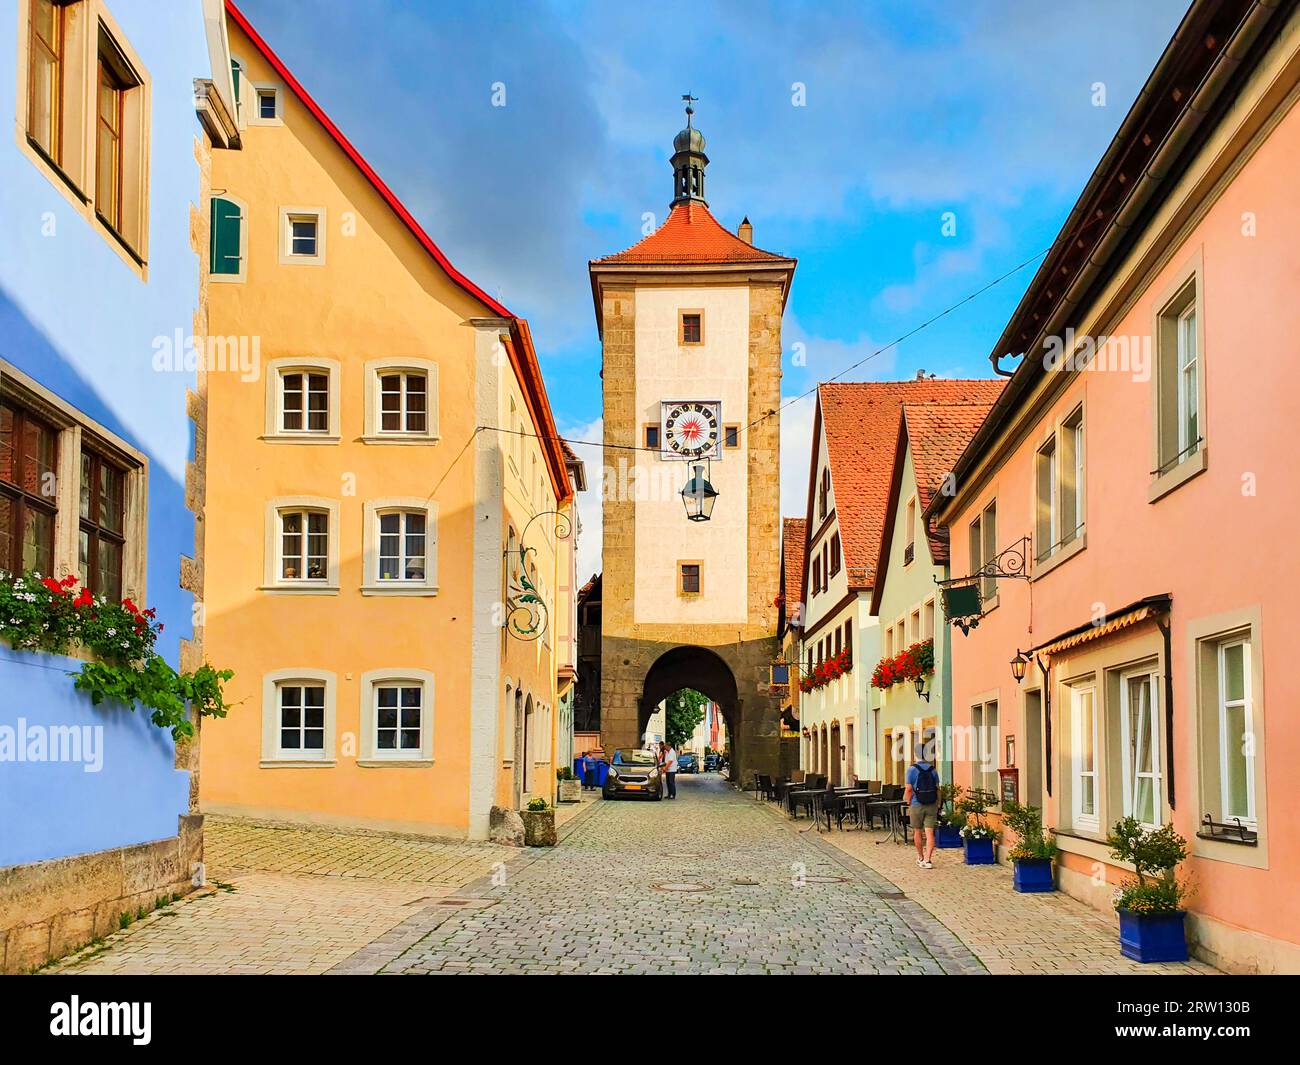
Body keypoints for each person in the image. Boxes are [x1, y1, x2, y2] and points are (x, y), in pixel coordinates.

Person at [904, 745, 941, 868]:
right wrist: (938, 804)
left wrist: (908, 802)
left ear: (915, 754)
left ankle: (920, 857)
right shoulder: (933, 770)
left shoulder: (911, 770)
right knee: (930, 833)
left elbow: (909, 789)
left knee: (917, 832)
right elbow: (937, 789)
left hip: (916, 804)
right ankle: (928, 859)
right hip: (931, 804)